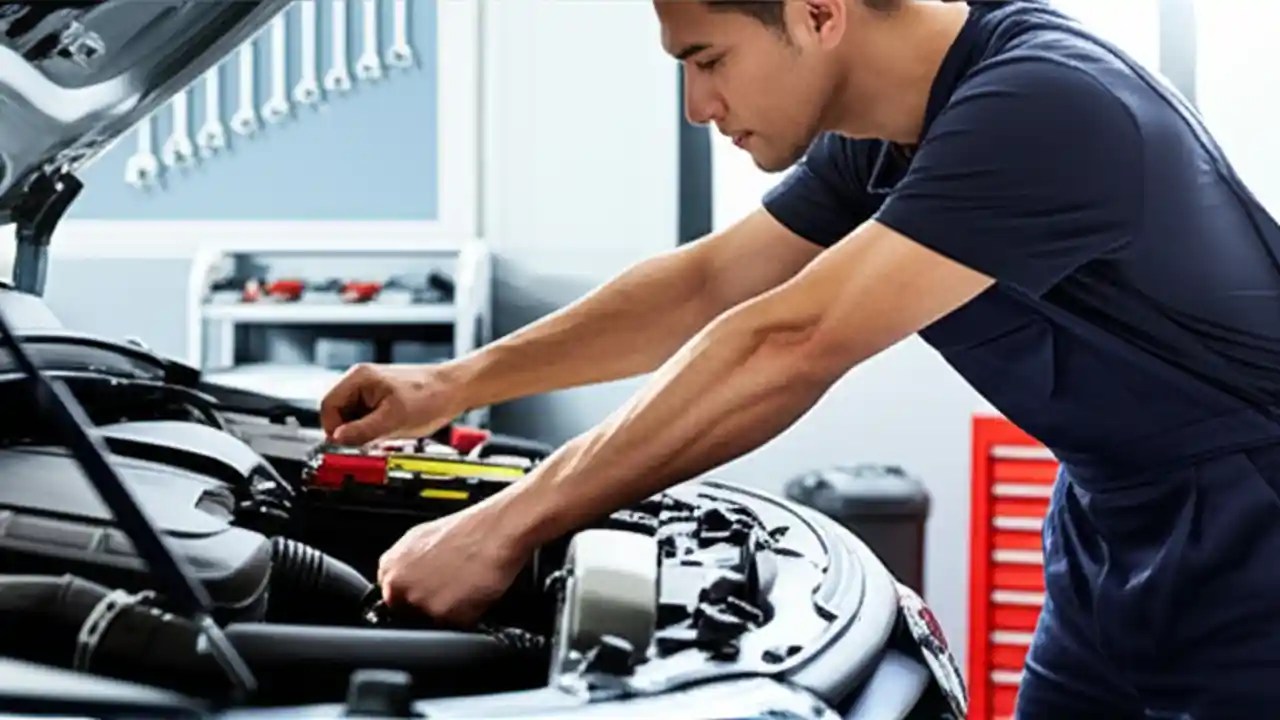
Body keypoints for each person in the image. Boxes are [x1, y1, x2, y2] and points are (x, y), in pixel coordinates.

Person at [320, 0, 1280, 717]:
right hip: (1113, 529)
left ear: (820, 12)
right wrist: (448, 383)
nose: (698, 105)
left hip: (1257, 540)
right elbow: (708, 286)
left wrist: (507, 526)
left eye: (707, 59)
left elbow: (789, 340)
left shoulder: (1045, 105)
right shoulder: (884, 138)